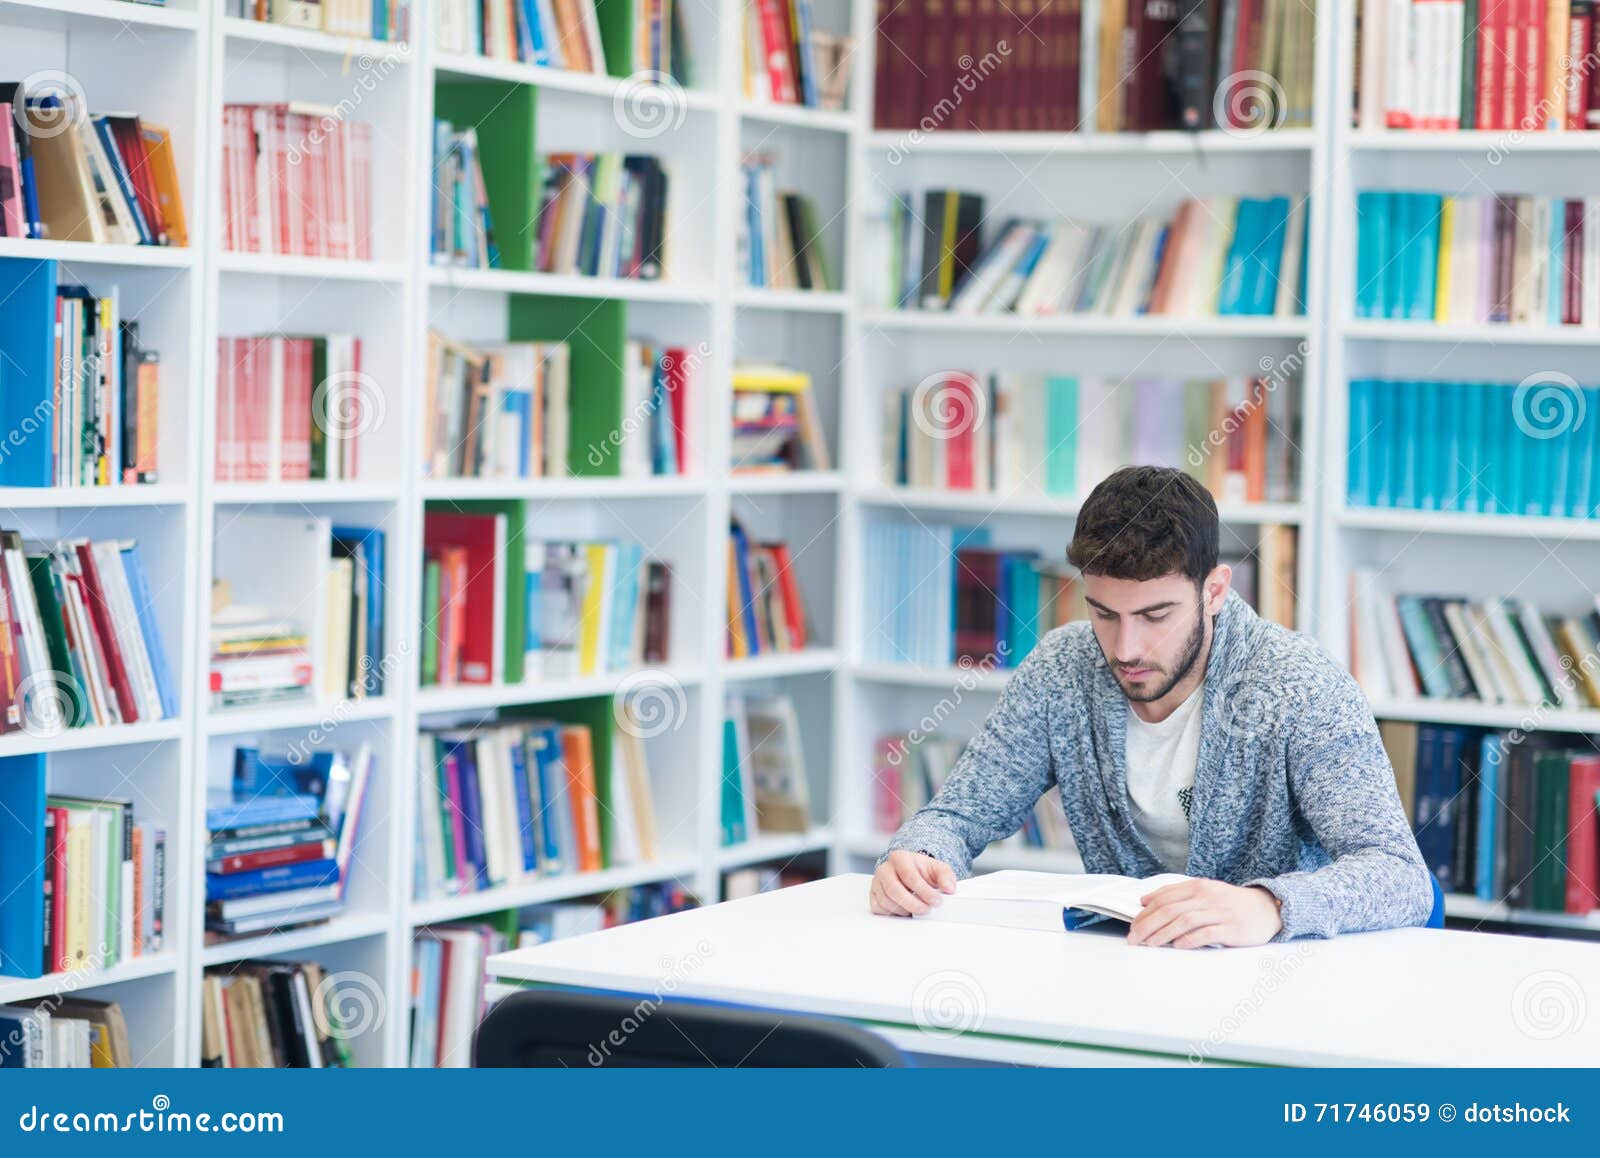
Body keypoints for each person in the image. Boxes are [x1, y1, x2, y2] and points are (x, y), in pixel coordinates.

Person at [871, 465, 1433, 947]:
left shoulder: (1301, 685)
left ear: (1214, 591)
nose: (1125, 648)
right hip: (1126, 970)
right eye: (1104, 614)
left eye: (1155, 617)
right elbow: (954, 818)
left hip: (1275, 978)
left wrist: (1269, 906)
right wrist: (918, 857)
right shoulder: (1061, 668)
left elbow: (1400, 876)